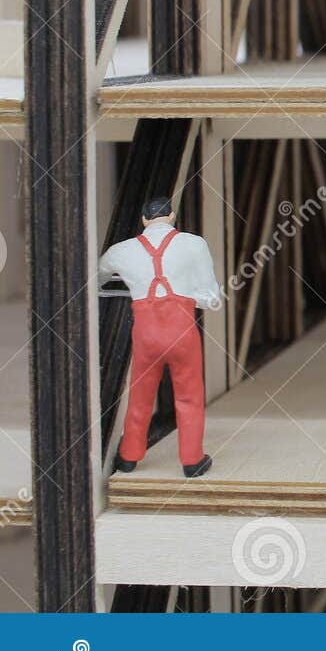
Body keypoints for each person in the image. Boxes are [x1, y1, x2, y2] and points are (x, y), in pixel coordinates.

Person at [98, 196, 222, 478]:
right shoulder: (194, 244)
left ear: (143, 219)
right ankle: (192, 460)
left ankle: (129, 457)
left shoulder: (121, 250)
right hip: (182, 333)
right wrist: (188, 293)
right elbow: (213, 298)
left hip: (146, 335)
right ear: (172, 215)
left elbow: (98, 276)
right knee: (189, 395)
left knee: (140, 395)